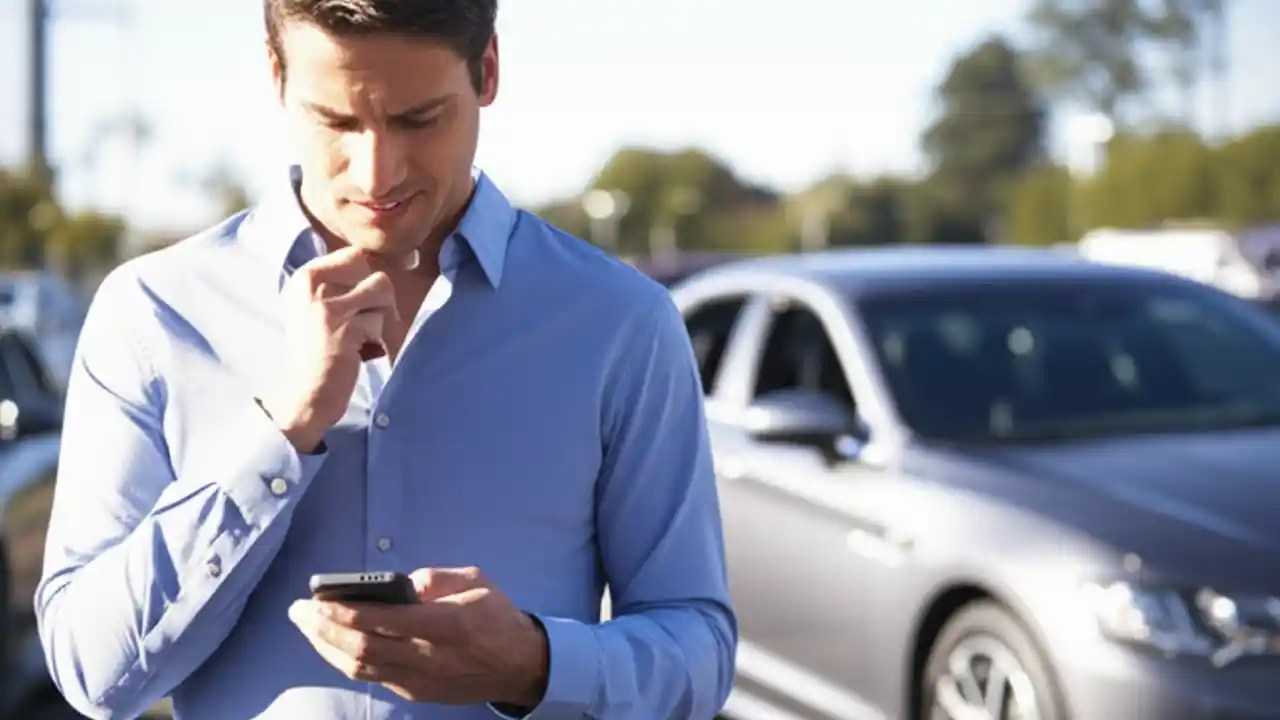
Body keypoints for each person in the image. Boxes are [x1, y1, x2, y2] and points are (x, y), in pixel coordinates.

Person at [33, 2, 737, 718]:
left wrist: (533, 662)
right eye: (337, 122)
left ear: (487, 71)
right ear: (276, 77)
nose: (377, 174)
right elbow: (93, 676)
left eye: (418, 119)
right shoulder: (154, 314)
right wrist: (281, 428)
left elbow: (699, 653)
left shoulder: (620, 323)